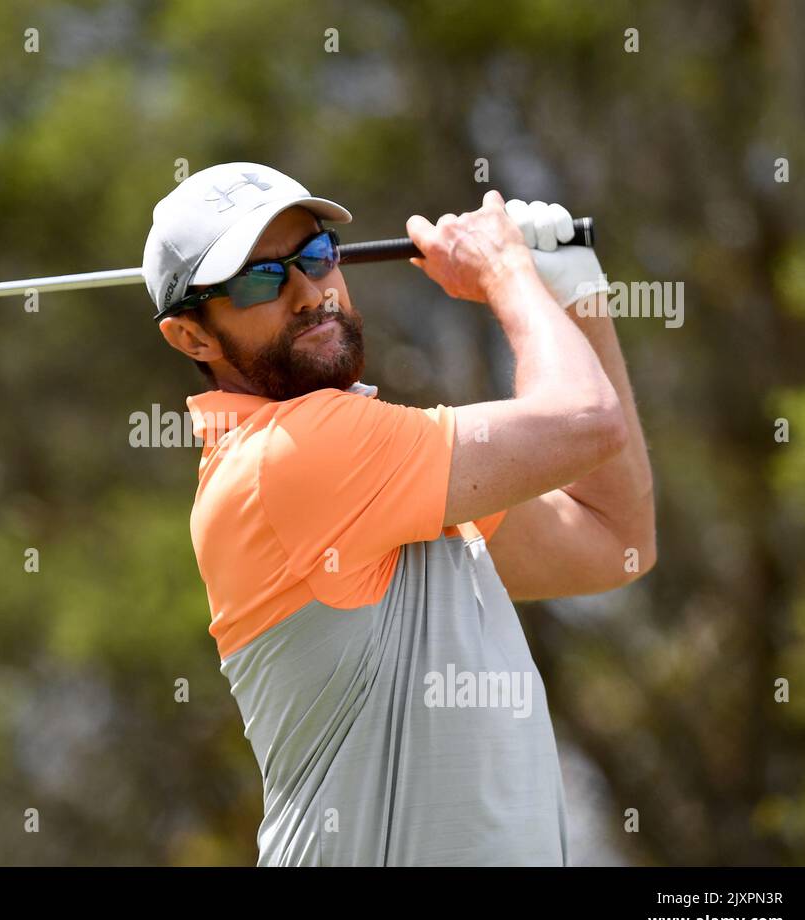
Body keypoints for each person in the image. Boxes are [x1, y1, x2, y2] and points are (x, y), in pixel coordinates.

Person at [142, 162, 656, 865]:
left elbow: (614, 540)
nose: (307, 293)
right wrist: (509, 277)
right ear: (191, 338)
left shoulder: (383, 475)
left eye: (316, 254)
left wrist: (576, 300)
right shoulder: (289, 455)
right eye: (261, 278)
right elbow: (586, 423)